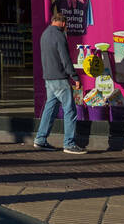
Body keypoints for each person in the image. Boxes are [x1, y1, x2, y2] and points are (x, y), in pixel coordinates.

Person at [34, 10, 87, 155]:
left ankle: (40, 139)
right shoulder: (59, 36)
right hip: (60, 79)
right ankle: (69, 144)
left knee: (50, 109)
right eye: (66, 25)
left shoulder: (44, 34)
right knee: (70, 110)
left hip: (48, 78)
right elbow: (65, 59)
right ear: (63, 23)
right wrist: (75, 77)